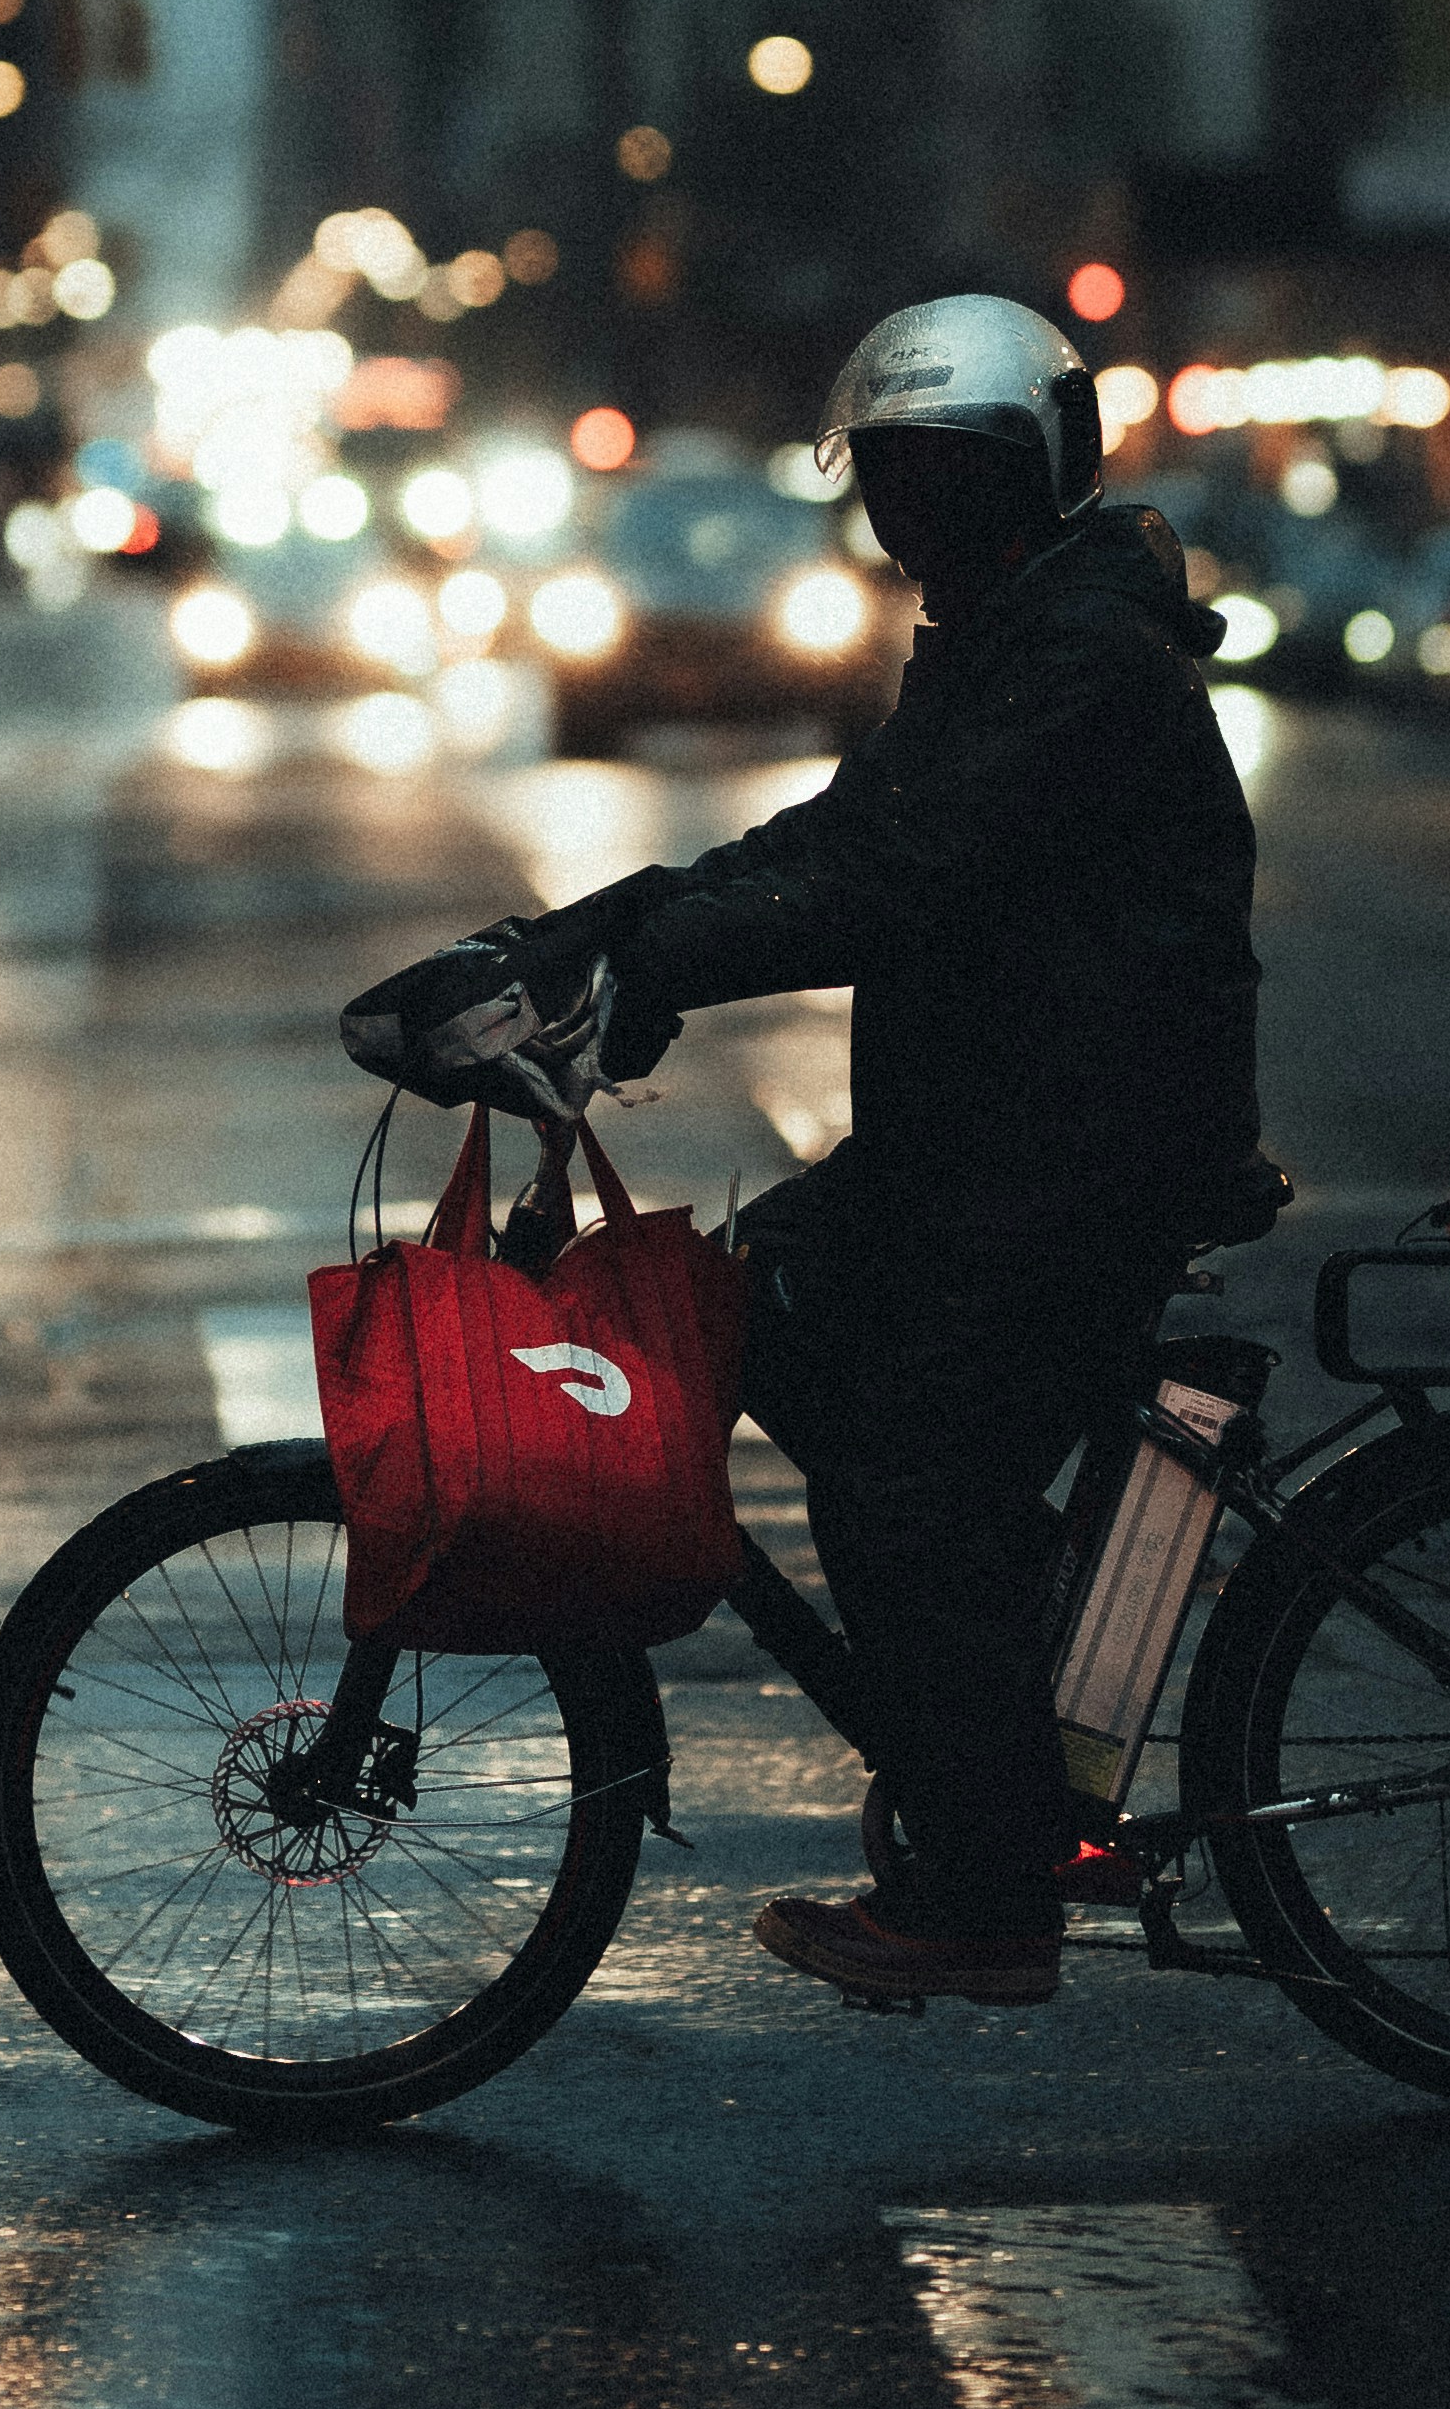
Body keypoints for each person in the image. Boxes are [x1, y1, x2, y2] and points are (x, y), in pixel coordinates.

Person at [530, 294, 1274, 2007]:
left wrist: (665, 962)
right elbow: (855, 821)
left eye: (943, 477)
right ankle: (1009, 1675)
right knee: (752, 1301)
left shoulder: (1079, 653)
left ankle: (992, 1889)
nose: (912, 515)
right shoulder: (1003, 626)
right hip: (983, 1134)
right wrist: (623, 921)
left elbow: (902, 878)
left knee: (903, 1484)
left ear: (1032, 476)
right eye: (891, 482)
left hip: (1080, 1150)